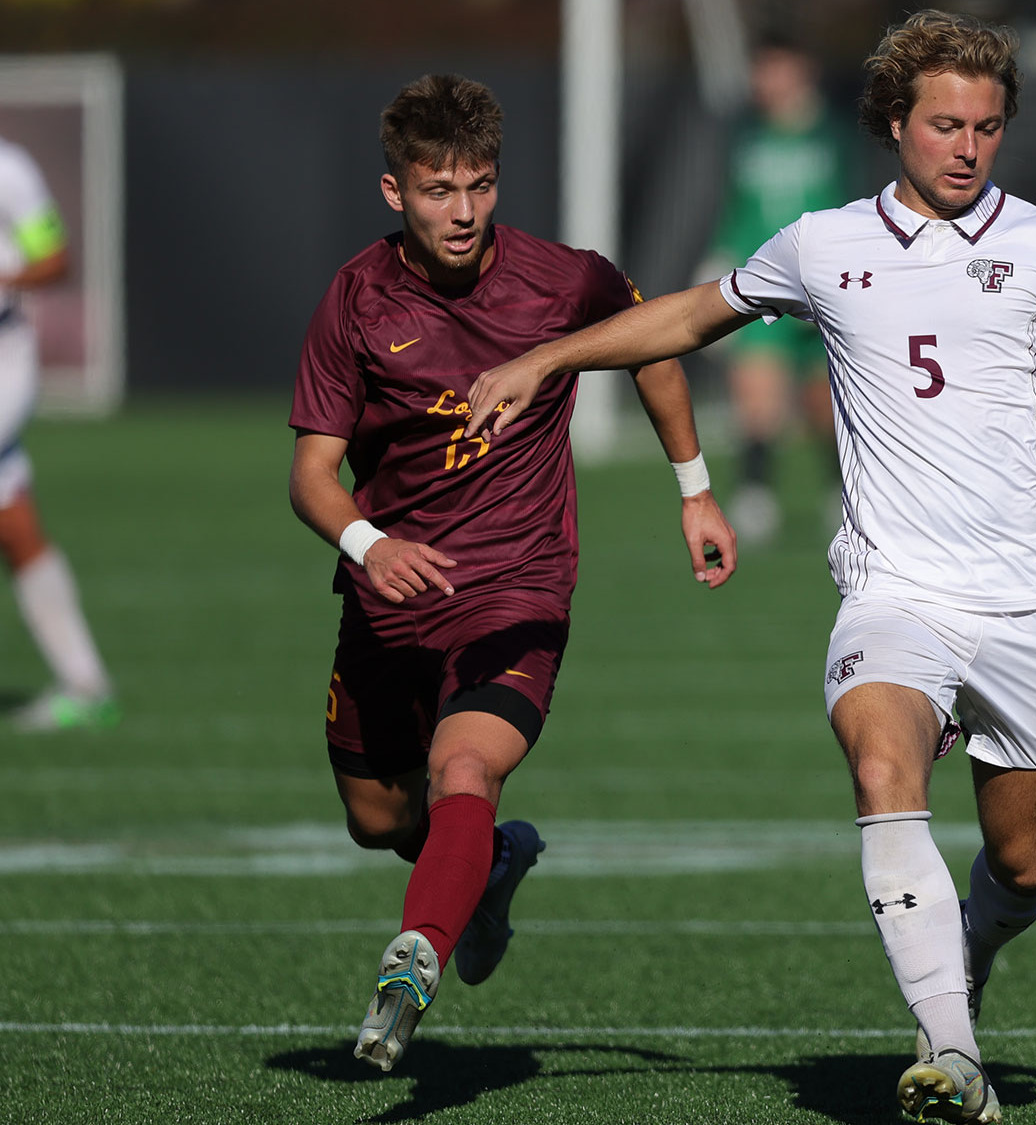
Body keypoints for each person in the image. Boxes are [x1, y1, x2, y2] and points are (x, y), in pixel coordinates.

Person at [462, 12, 1036, 1121]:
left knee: (1020, 870)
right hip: (893, 593)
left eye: (985, 127)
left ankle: (967, 956)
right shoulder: (822, 244)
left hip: (1027, 602)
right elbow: (688, 315)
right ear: (892, 123)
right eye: (942, 125)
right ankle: (952, 1053)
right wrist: (548, 358)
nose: (966, 147)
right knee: (884, 773)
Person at [287, 74, 736, 1073]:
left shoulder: (561, 280)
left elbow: (654, 342)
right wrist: (371, 546)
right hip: (389, 594)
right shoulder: (355, 302)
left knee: (466, 767)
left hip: (520, 586)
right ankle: (486, 866)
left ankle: (414, 958)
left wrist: (693, 486)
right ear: (394, 191)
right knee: (378, 820)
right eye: (440, 190)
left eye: (481, 187)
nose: (464, 212)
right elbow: (312, 475)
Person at [703, 36, 849, 545]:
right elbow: (738, 210)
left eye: (774, 69)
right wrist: (721, 258)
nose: (763, 81)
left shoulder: (834, 137)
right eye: (759, 70)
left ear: (800, 71)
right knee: (756, 391)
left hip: (827, 290)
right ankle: (755, 494)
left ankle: (843, 491)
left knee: (821, 405)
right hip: (765, 287)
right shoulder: (747, 138)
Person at [0, 135, 116, 732]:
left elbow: (54, 256)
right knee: (15, 527)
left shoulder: (9, 169)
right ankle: (85, 683)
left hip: (3, 362)